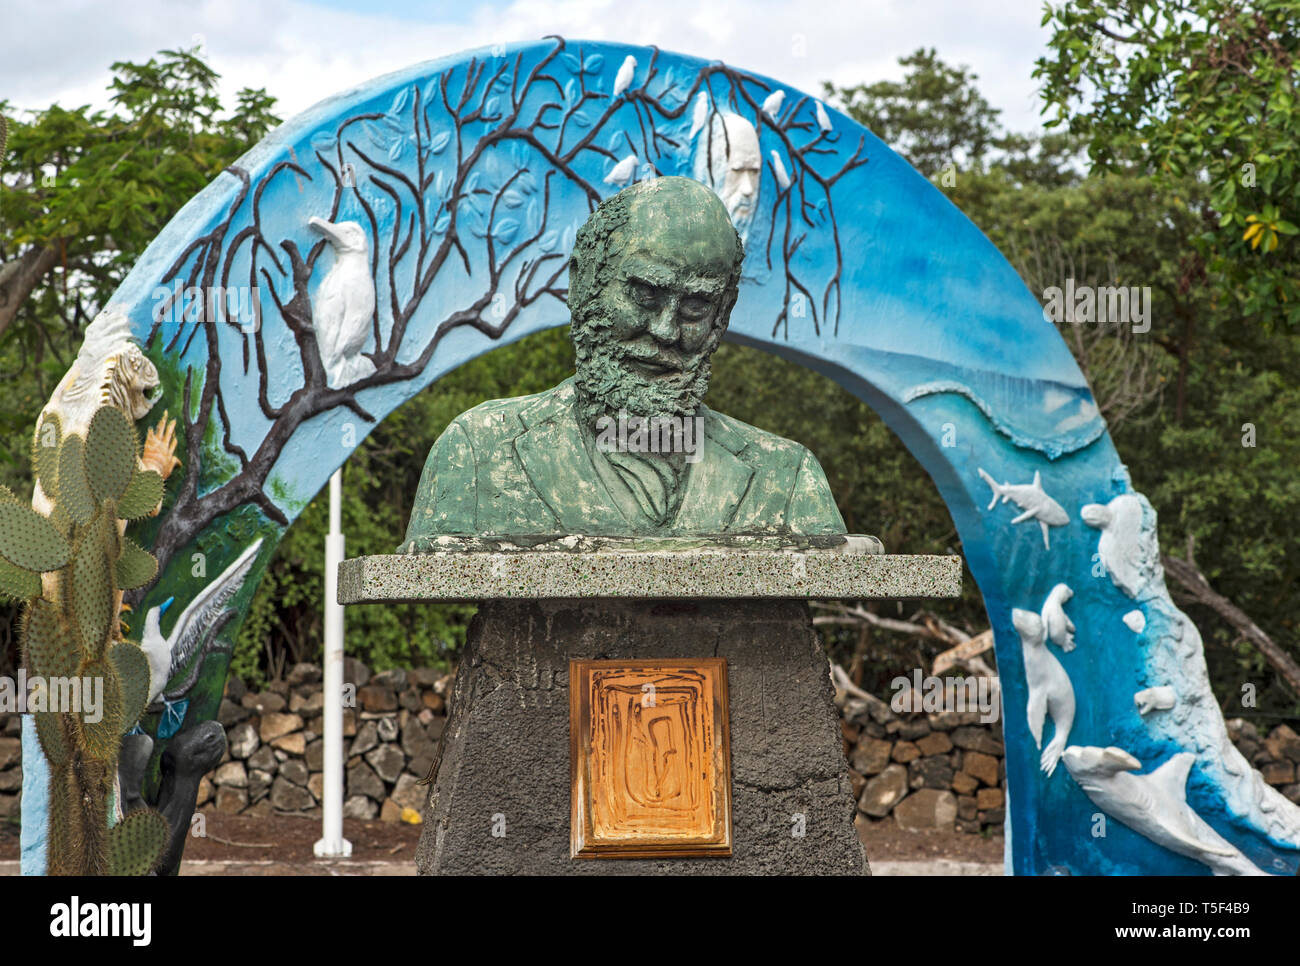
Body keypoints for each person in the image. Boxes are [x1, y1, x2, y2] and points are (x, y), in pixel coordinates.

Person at [400, 176, 844, 546]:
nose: (666, 330)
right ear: (582, 283)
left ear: (722, 315)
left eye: (695, 308)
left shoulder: (787, 481)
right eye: (645, 295)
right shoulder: (477, 456)